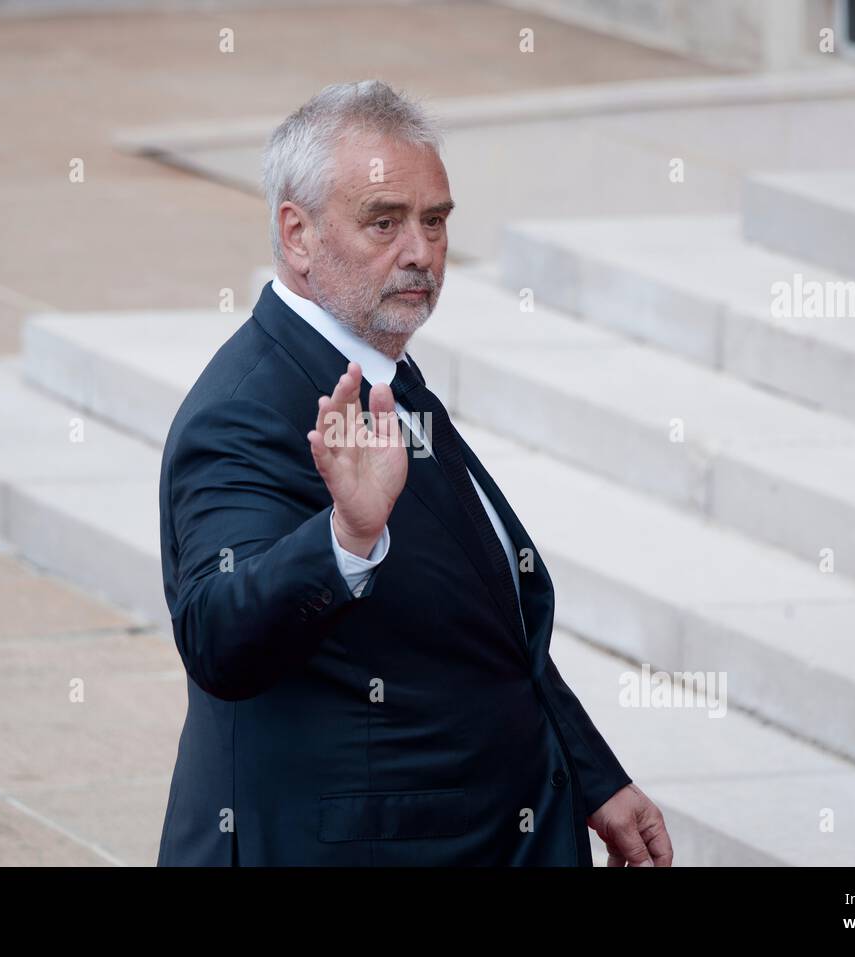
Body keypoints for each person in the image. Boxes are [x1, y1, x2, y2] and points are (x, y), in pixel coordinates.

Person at [156, 79, 671, 866]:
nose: (423, 251)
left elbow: (487, 620)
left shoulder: (380, 368)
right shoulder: (246, 408)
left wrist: (591, 774)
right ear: (297, 235)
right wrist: (344, 537)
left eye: (434, 221)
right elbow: (218, 634)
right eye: (384, 221)